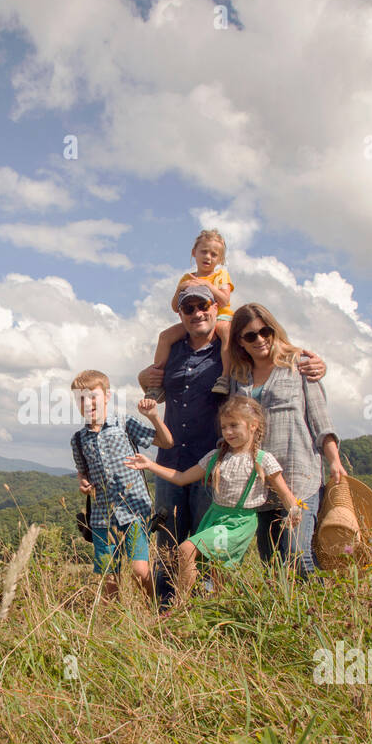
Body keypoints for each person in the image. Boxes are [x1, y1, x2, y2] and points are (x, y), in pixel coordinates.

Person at [137, 295, 327, 608]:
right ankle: (169, 614)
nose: (196, 313)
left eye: (203, 306)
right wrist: (143, 379)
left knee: (214, 553)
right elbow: (152, 383)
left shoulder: (229, 360)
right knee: (170, 543)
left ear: (216, 310)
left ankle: (208, 610)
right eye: (188, 308)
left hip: (218, 469)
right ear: (180, 313)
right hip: (179, 462)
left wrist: (315, 362)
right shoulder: (179, 351)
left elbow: (267, 358)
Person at [126, 396, 296, 613]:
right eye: (224, 427)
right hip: (214, 517)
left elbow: (284, 491)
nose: (228, 432)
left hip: (238, 522)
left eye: (234, 425)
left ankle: (181, 607)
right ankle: (212, 612)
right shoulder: (216, 457)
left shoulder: (263, 460)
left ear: (253, 426)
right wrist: (150, 465)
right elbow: (181, 477)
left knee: (186, 549)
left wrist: (294, 510)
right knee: (215, 574)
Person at [228, 303, 345, 577]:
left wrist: (334, 461)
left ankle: (321, 613)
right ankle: (287, 617)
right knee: (272, 564)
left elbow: (321, 420)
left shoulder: (299, 367)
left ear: (274, 330)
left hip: (299, 476)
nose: (259, 339)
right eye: (249, 336)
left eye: (264, 331)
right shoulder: (239, 379)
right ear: (240, 342)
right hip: (260, 484)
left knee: (297, 554)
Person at [70, 369, 173, 602]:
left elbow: (166, 442)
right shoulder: (78, 439)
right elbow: (82, 471)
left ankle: (155, 608)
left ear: (106, 396)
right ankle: (115, 620)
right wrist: (83, 483)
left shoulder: (125, 424)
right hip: (101, 516)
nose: (88, 403)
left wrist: (154, 416)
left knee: (139, 570)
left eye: (93, 396)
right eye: (81, 399)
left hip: (134, 512)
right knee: (109, 577)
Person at [146, 229, 236, 403]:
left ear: (220, 260)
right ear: (194, 253)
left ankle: (225, 377)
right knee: (165, 336)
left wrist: (207, 285)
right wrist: (180, 289)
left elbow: (224, 301)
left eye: (214, 254)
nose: (208, 257)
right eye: (204, 251)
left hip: (221, 317)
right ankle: (156, 379)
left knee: (226, 334)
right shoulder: (186, 277)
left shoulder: (221, 275)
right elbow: (175, 307)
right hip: (193, 322)